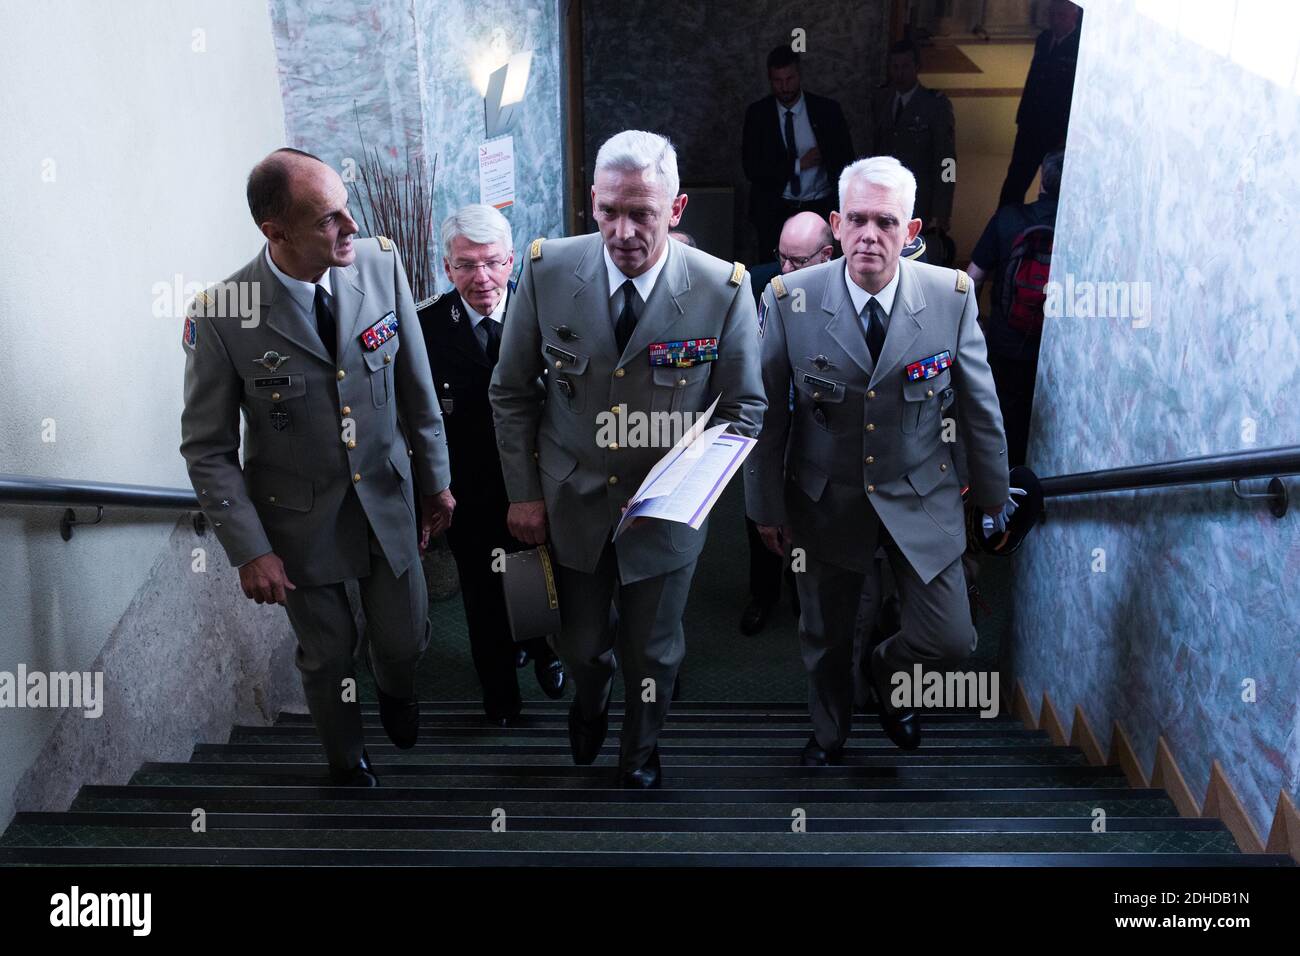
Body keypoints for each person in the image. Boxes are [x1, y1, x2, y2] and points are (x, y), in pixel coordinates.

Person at [490, 130, 766, 788]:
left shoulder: (721, 288)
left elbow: (744, 409)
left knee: (654, 654)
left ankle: (640, 751)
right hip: (572, 505)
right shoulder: (546, 267)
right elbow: (510, 391)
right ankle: (588, 706)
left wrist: (683, 489)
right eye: (610, 210)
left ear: (676, 209)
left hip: (665, 519)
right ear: (592, 202)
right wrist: (524, 493)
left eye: (641, 212)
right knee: (584, 650)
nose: (623, 230)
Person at [180, 148, 454, 786]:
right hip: (299, 523)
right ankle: (345, 756)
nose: (351, 227)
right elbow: (207, 449)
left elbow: (418, 389)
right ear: (274, 233)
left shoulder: (381, 265)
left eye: (347, 208)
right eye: (329, 219)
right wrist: (249, 550)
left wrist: (437, 482)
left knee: (404, 639)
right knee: (329, 655)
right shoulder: (223, 315)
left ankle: (396, 688)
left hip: (389, 498)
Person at [744, 155, 1010, 762]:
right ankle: (830, 734)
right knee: (827, 636)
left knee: (952, 639)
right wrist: (764, 506)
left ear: (911, 231)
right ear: (836, 225)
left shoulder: (952, 297)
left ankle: (891, 683)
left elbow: (979, 406)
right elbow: (769, 416)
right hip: (826, 498)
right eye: (857, 219)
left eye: (886, 222)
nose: (870, 235)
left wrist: (993, 499)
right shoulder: (790, 298)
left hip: (921, 491)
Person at [416, 204, 566, 726]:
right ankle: (500, 692)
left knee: (533, 578)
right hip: (469, 492)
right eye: (465, 265)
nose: (481, 277)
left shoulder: (546, 311)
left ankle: (542, 650)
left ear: (511, 260)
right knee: (482, 594)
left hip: (538, 481)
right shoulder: (424, 327)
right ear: (447, 266)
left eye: (492, 262)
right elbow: (414, 419)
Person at [741, 211, 833, 635]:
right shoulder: (765, 287)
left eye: (797, 261)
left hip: (819, 426)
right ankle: (763, 594)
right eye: (781, 258)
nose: (786, 270)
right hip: (769, 414)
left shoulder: (843, 289)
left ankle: (803, 595)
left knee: (809, 512)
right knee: (761, 502)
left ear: (826, 255)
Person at [967, 150, 1063, 467]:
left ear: (1041, 183)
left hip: (1005, 345)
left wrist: (979, 325)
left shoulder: (1008, 218)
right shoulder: (1082, 225)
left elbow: (972, 280)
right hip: (1056, 355)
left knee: (1002, 423)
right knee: (1050, 427)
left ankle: (998, 493)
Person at [742, 45, 854, 263]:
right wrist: (797, 165)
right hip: (776, 209)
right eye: (777, 80)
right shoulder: (758, 114)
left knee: (822, 269)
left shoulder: (827, 111)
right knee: (775, 271)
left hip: (820, 205)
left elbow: (847, 161)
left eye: (790, 79)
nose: (784, 87)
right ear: (769, 79)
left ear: (799, 75)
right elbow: (751, 167)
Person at [871, 39, 956, 243]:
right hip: (885, 196)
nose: (900, 73)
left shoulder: (934, 105)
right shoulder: (881, 99)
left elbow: (947, 162)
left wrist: (942, 211)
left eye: (906, 66)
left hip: (920, 199)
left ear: (917, 67)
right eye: (895, 67)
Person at [997, 0, 1080, 209]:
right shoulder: (1044, 40)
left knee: (1052, 186)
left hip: (1056, 132)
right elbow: (1032, 82)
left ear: (1074, 16)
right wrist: (1022, 117)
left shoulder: (1080, 47)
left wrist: (1067, 134)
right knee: (1015, 181)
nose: (1056, 20)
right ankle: (1004, 223)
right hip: (1030, 125)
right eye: (1053, 15)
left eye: (1062, 15)